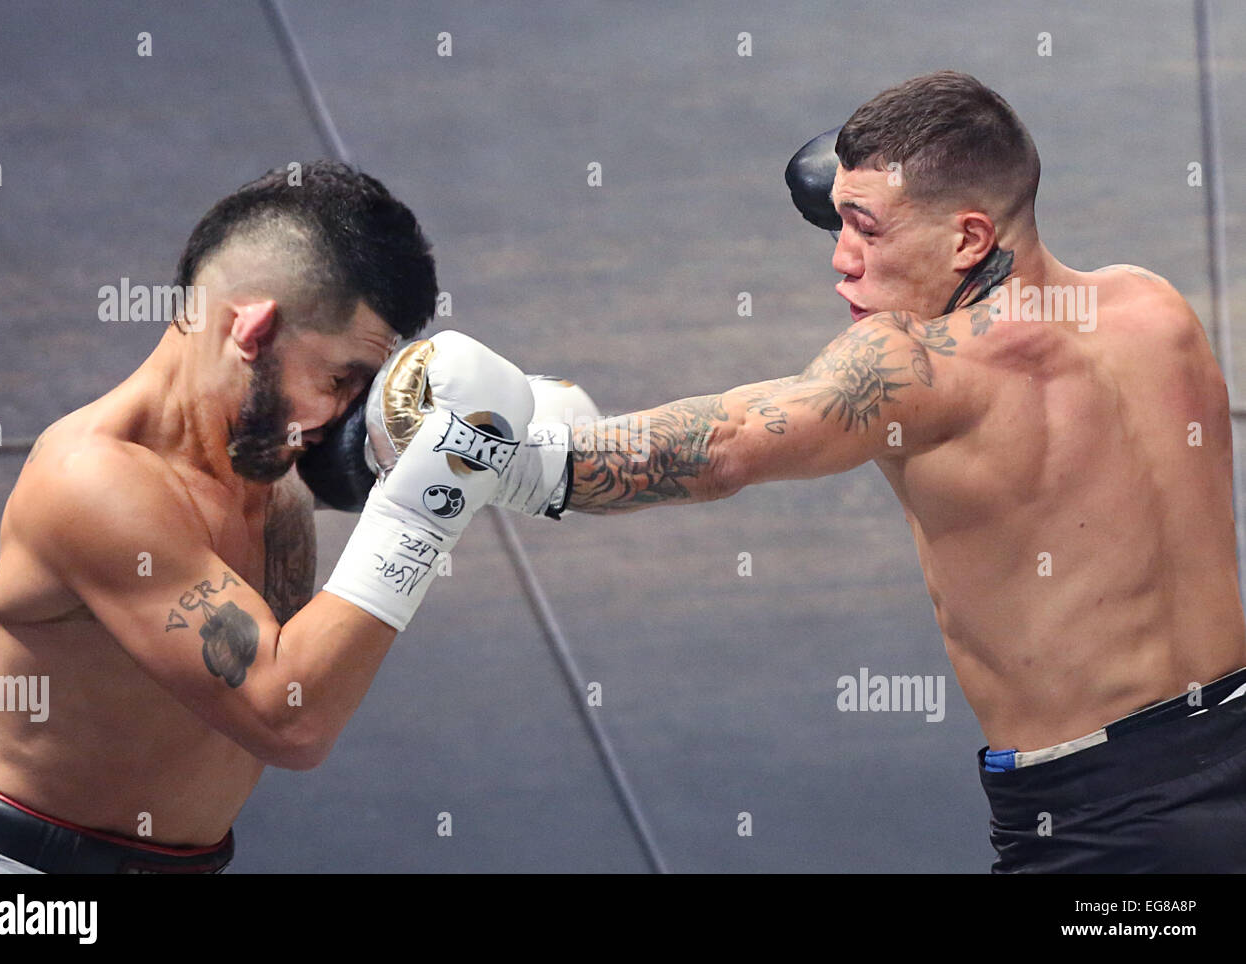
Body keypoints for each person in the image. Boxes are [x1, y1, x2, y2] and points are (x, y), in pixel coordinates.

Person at [473, 70, 1246, 871]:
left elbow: (725, 445)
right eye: (837, 221)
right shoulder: (1153, 307)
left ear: (969, 239)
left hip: (1105, 830)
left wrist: (502, 455)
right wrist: (874, 208)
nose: (840, 262)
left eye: (865, 231)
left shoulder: (915, 367)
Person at [0, 160, 538, 872]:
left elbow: (674, 460)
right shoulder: (93, 480)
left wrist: (559, 445)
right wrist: (429, 500)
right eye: (341, 379)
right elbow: (289, 717)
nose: (347, 413)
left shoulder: (272, 464)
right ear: (253, 331)